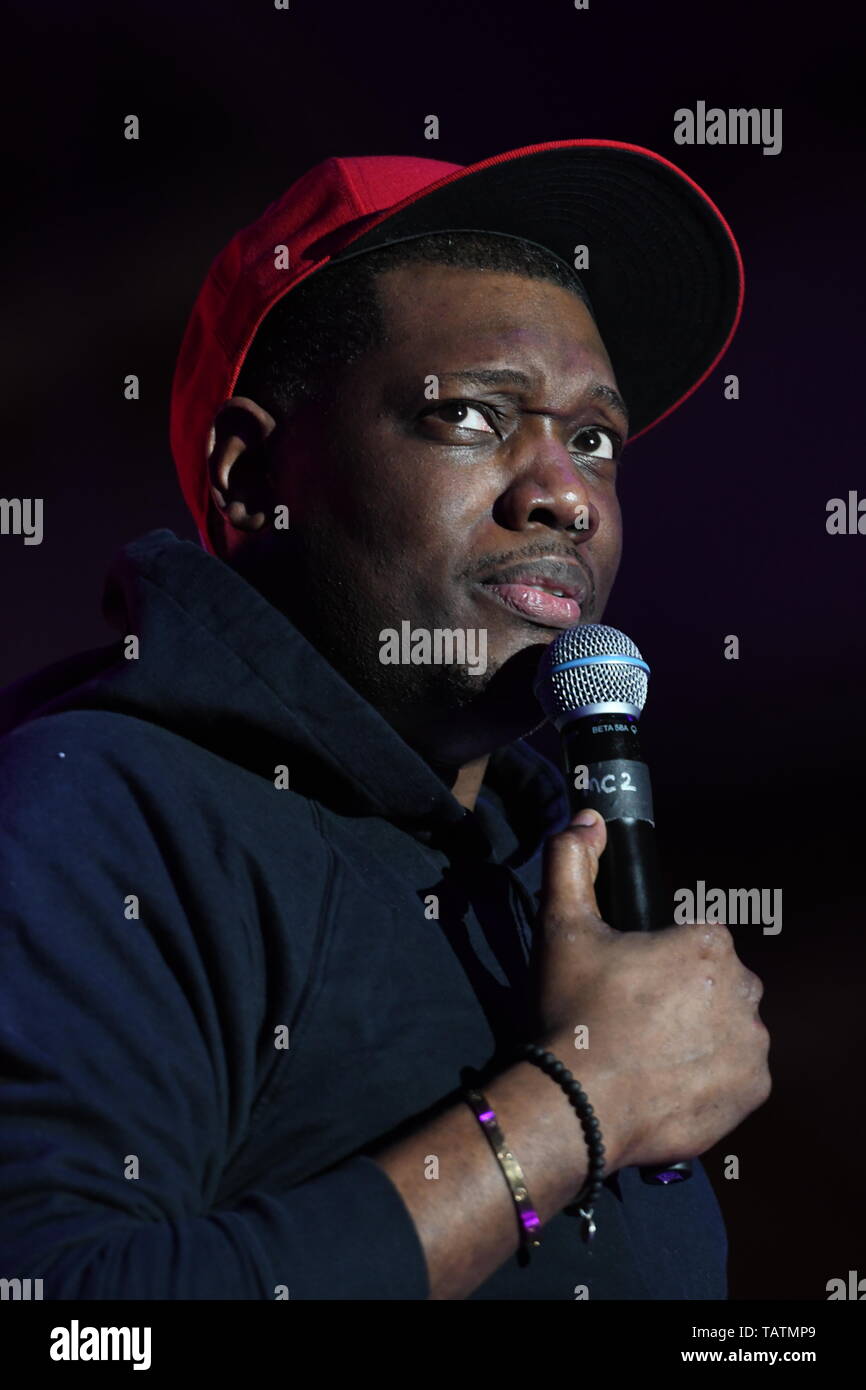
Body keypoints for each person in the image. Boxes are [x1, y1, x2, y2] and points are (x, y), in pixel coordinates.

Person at [0, 141, 770, 1300]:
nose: (562, 490)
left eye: (594, 439)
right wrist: (571, 1108)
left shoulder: (548, 872)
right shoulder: (101, 802)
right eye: (469, 414)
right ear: (252, 476)